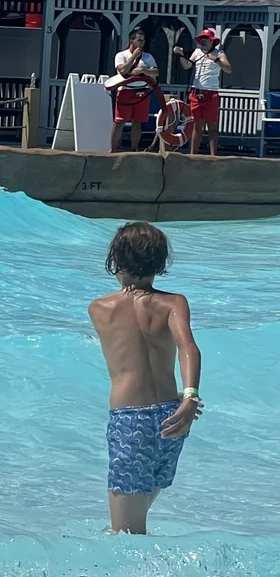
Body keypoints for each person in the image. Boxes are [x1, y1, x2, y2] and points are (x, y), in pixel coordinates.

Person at [88, 222, 203, 535]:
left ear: (116, 260)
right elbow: (188, 347)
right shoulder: (174, 303)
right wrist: (190, 396)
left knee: (123, 532)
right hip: (173, 415)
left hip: (131, 420)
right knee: (136, 518)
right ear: (160, 262)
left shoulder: (100, 308)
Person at [172, 28, 232, 156]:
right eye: (202, 39)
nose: (204, 41)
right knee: (197, 126)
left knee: (212, 127)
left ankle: (213, 155)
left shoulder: (219, 53)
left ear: (212, 41)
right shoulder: (197, 52)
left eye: (206, 39)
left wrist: (216, 60)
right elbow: (187, 65)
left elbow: (228, 69)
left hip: (211, 93)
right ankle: (193, 154)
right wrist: (181, 55)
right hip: (196, 92)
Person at [108, 29, 160, 153]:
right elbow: (122, 70)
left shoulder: (148, 57)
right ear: (131, 40)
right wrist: (133, 57)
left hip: (142, 91)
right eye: (139, 40)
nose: (141, 43)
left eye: (143, 41)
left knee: (138, 122)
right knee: (119, 122)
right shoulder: (121, 55)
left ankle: (134, 150)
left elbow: (156, 72)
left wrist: (143, 71)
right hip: (126, 90)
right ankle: (113, 150)